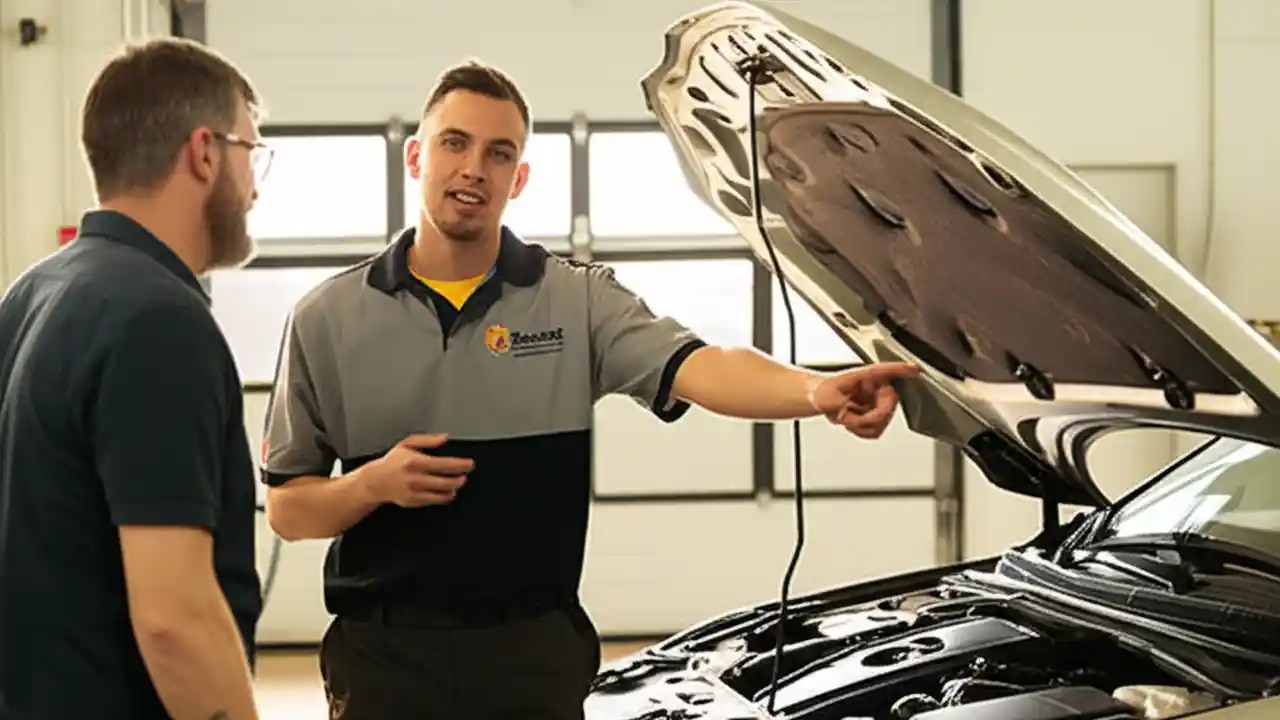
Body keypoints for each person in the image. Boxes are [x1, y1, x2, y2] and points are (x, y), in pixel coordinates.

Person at [261, 59, 919, 719]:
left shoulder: (574, 300)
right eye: (453, 143)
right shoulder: (327, 318)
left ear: (518, 179)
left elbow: (705, 365)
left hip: (533, 655)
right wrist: (373, 485)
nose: (473, 169)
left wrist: (816, 392)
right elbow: (290, 510)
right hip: (383, 660)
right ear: (415, 157)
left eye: (499, 153)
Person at [0, 38, 269, 720]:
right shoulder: (158, 323)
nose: (257, 185)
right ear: (205, 152)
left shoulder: (33, 293)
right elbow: (174, 619)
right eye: (251, 152)